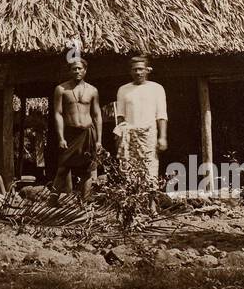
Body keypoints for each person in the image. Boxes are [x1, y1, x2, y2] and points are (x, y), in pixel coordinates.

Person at [52, 57, 104, 200]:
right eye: (74, 68)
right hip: (70, 133)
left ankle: (85, 202)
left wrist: (99, 140)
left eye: (79, 68)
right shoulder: (61, 89)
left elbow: (97, 115)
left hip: (88, 132)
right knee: (63, 168)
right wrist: (61, 137)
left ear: (85, 70)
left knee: (88, 169)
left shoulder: (92, 90)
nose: (77, 71)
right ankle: (52, 201)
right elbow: (58, 113)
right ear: (70, 71)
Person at [114, 54, 168, 190]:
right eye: (135, 69)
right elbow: (120, 116)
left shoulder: (157, 88)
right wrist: (119, 136)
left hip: (148, 135)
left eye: (141, 69)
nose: (138, 72)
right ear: (130, 71)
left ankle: (151, 200)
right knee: (128, 168)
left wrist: (162, 137)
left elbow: (161, 115)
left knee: (150, 167)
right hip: (129, 135)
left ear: (147, 70)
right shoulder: (123, 90)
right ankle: (133, 200)